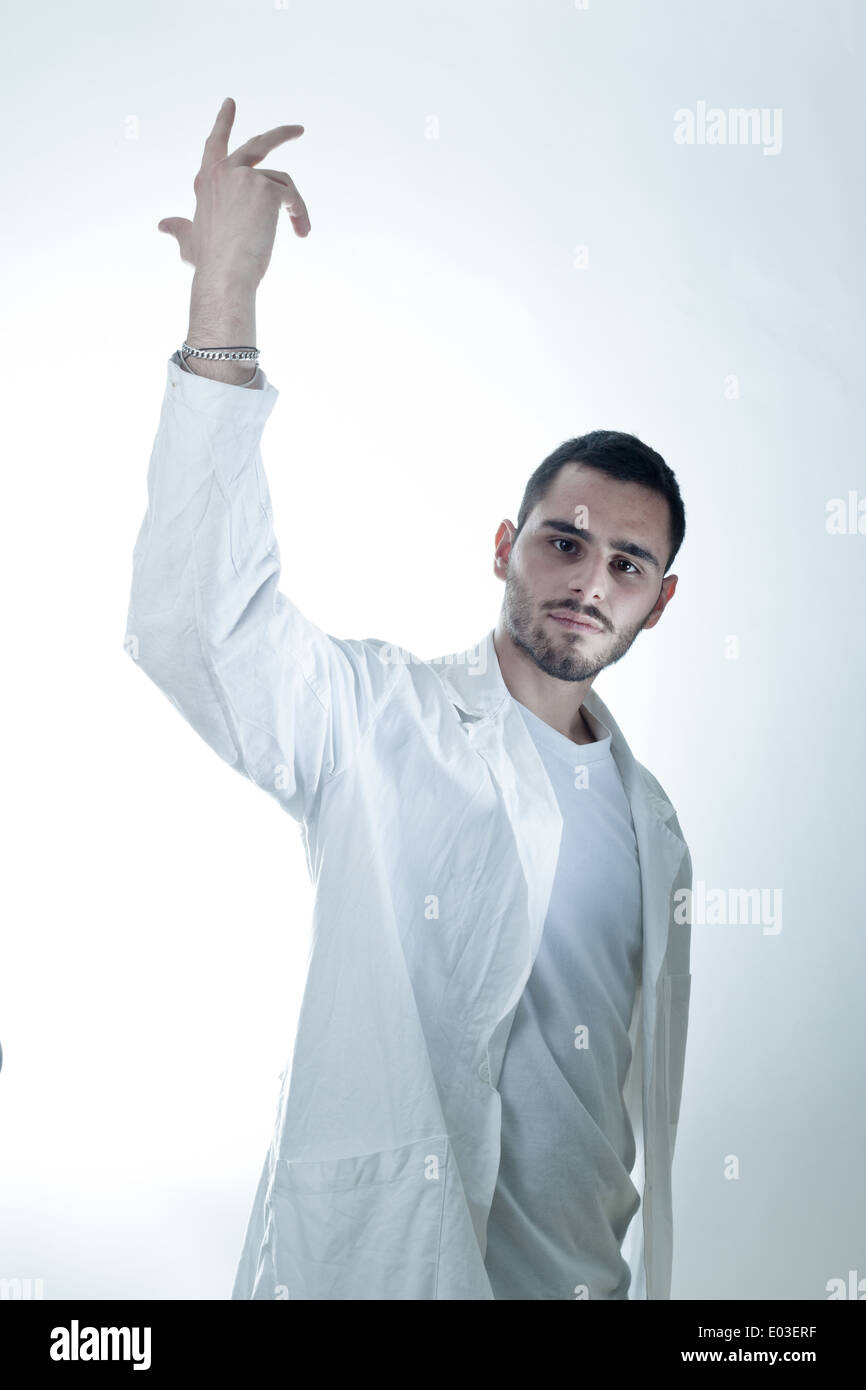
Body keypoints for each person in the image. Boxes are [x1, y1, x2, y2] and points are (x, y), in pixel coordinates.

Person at [125, 98, 693, 1301]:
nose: (587, 581)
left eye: (624, 566)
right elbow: (199, 627)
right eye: (562, 542)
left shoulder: (657, 830)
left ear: (659, 601)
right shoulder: (378, 719)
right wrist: (223, 300)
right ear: (503, 543)